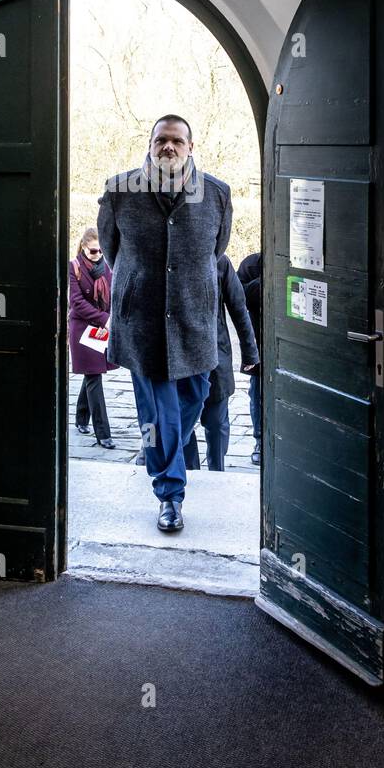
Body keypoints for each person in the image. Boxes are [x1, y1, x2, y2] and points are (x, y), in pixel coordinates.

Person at [97, 114, 254, 533]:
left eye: (177, 141)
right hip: (141, 324)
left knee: (197, 392)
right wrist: (138, 285)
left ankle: (157, 449)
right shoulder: (119, 191)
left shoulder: (218, 194)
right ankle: (170, 493)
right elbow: (111, 253)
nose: (168, 147)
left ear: (191, 147)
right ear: (149, 144)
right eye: (161, 140)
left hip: (194, 321)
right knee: (163, 411)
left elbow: (216, 251)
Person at [184, 252, 259, 471]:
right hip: (181, 356)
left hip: (216, 354)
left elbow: (238, 307)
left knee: (216, 422)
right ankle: (191, 471)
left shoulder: (220, 261)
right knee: (183, 421)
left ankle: (217, 471)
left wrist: (250, 353)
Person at [68, 226, 117, 449]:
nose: (98, 254)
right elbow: (76, 302)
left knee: (92, 372)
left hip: (100, 326)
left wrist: (109, 318)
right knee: (94, 375)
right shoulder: (73, 268)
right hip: (82, 327)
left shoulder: (107, 266)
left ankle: (80, 417)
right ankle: (103, 433)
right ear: (84, 248)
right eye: (93, 251)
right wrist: (103, 318)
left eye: (100, 250)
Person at [237, 252, 262, 465]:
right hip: (257, 343)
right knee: (257, 392)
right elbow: (240, 296)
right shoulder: (250, 264)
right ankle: (260, 440)